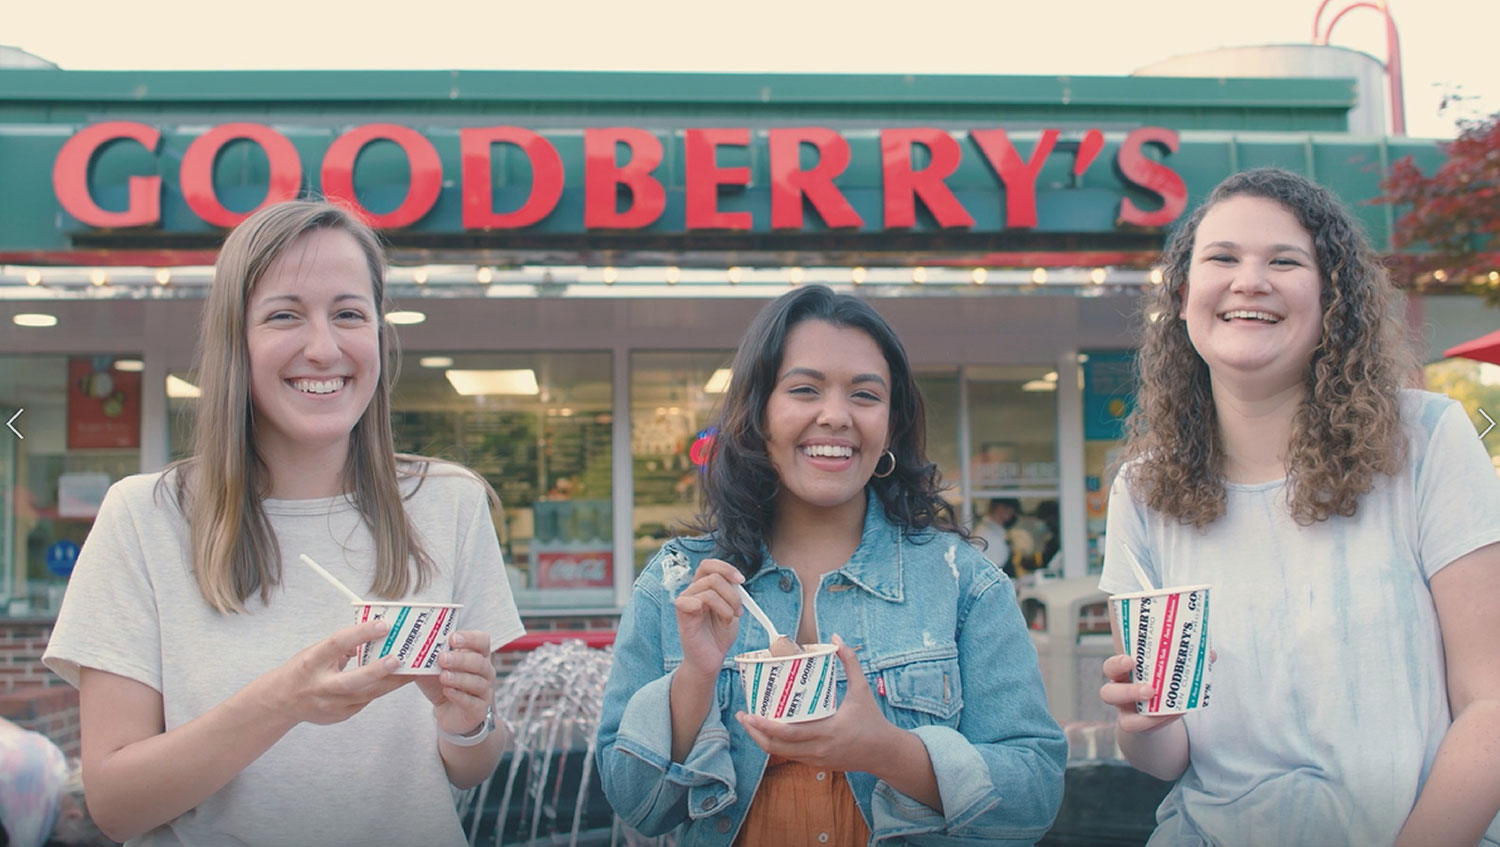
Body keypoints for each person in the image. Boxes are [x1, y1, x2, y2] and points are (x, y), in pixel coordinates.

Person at [42, 200, 525, 846]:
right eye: (284, 315)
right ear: (236, 341)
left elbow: (470, 765)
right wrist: (284, 702)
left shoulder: (451, 504)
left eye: (349, 314)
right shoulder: (142, 519)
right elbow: (115, 803)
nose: (323, 348)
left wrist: (468, 720)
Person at [1097, 168, 1500, 846]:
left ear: (1332, 296)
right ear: (1185, 294)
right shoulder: (1142, 491)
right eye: (1221, 258)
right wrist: (1145, 722)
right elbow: (1167, 759)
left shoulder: (1429, 440)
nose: (1249, 281)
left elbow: (1490, 704)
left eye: (1284, 260)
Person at [596, 285, 1066, 845]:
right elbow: (635, 805)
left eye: (865, 395)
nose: (836, 416)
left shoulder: (962, 581)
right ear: (759, 413)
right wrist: (695, 680)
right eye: (803, 389)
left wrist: (890, 753)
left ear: (890, 424)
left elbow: (1035, 798)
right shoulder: (680, 583)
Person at [972, 497, 1018, 573]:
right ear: (1000, 508)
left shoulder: (998, 529)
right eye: (1010, 509)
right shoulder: (983, 533)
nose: (1013, 513)